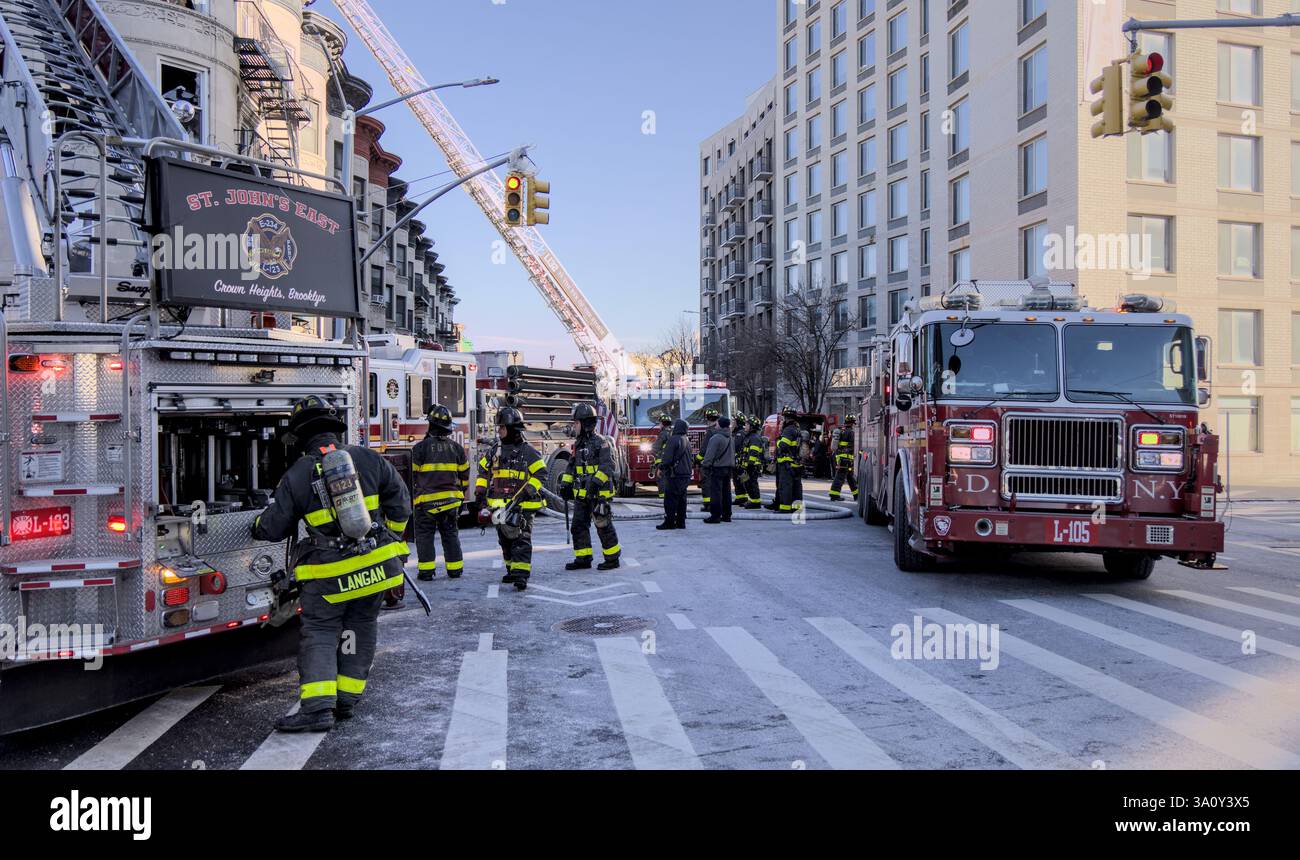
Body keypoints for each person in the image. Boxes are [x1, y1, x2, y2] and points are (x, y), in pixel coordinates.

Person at [252, 395, 410, 732]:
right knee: (358, 629)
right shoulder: (369, 458)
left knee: (321, 634)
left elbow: (273, 527)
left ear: (301, 436)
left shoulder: (298, 473)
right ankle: (346, 701)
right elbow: (401, 504)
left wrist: (255, 524)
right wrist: (394, 541)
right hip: (375, 570)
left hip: (328, 577)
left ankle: (317, 709)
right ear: (334, 430)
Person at [475, 406, 547, 590]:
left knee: (521, 540)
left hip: (522, 506)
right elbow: (483, 471)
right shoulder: (495, 450)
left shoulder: (528, 451)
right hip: (498, 506)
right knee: (505, 540)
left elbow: (541, 474)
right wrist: (480, 493)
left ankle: (521, 575)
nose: (499, 431)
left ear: (512, 429)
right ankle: (511, 570)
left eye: (502, 427)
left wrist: (528, 491)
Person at [560, 402, 621, 571]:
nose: (574, 426)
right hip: (582, 495)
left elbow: (607, 467)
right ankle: (583, 558)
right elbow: (571, 466)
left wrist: (595, 484)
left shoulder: (602, 443)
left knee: (603, 525)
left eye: (576, 423)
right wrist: (565, 483)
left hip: (599, 494)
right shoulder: (578, 445)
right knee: (578, 526)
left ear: (585, 424)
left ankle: (612, 558)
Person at [411, 404, 468, 580]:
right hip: (451, 502)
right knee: (450, 535)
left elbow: (412, 477)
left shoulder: (419, 449)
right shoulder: (457, 448)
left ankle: (427, 572)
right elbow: (464, 478)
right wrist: (459, 493)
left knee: (425, 536)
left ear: (431, 425)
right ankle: (455, 570)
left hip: (425, 504)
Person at [656, 418, 692, 530]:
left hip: (674, 474)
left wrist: (661, 468)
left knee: (670, 500)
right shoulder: (686, 439)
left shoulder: (673, 440)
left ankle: (669, 523)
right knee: (682, 500)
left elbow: (667, 458)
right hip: (685, 474)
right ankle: (681, 522)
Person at [701, 416, 735, 524]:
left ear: (719, 425)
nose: (716, 425)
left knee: (716, 493)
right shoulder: (730, 437)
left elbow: (709, 455)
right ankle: (727, 515)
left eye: (717, 423)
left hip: (717, 468)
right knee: (726, 492)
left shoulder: (716, 438)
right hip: (728, 468)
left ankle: (715, 516)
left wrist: (705, 466)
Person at [771, 405, 804, 514]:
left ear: (787, 418)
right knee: (796, 487)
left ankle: (785, 508)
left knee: (785, 486)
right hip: (795, 464)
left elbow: (784, 445)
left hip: (786, 464)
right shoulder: (797, 429)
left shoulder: (788, 430)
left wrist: (778, 441)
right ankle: (797, 508)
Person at [828, 414, 859, 502]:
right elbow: (853, 445)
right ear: (852, 423)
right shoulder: (851, 432)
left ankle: (856, 495)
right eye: (854, 423)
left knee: (850, 477)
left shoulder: (842, 430)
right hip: (846, 458)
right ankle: (834, 495)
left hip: (840, 457)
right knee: (840, 477)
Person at [696, 407, 721, 512]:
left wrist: (697, 459)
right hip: (718, 462)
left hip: (708, 463)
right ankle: (715, 503)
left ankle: (708, 504)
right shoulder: (721, 430)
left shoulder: (710, 432)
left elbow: (704, 449)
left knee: (706, 483)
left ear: (707, 419)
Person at [743, 414, 766, 509]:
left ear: (752, 426)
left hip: (753, 466)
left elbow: (753, 453)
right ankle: (751, 500)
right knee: (747, 483)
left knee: (752, 483)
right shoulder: (750, 437)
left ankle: (756, 502)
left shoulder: (755, 438)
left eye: (747, 425)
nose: (745, 426)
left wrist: (750, 465)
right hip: (748, 465)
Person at [650, 413, 672, 500]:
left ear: (662, 424)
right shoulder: (672, 433)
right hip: (670, 461)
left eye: (659, 423)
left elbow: (655, 447)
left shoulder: (663, 434)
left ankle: (663, 498)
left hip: (662, 461)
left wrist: (653, 452)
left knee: (661, 479)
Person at [731, 412, 751, 507]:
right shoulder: (738, 433)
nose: (732, 423)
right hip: (738, 462)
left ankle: (744, 499)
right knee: (737, 480)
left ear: (738, 422)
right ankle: (740, 498)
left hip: (739, 462)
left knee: (741, 480)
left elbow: (735, 447)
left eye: (734, 421)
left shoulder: (739, 434)